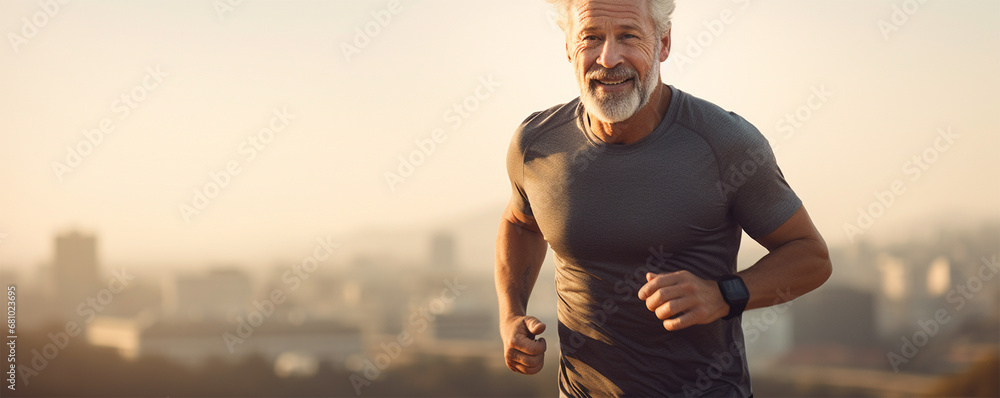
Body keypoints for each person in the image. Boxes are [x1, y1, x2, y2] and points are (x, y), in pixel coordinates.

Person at [493, 0, 833, 396]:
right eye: (591, 37)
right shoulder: (535, 144)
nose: (608, 57)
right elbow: (520, 223)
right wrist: (511, 315)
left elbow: (811, 256)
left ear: (664, 43)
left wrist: (722, 294)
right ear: (569, 48)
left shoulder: (725, 143)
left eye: (628, 36)